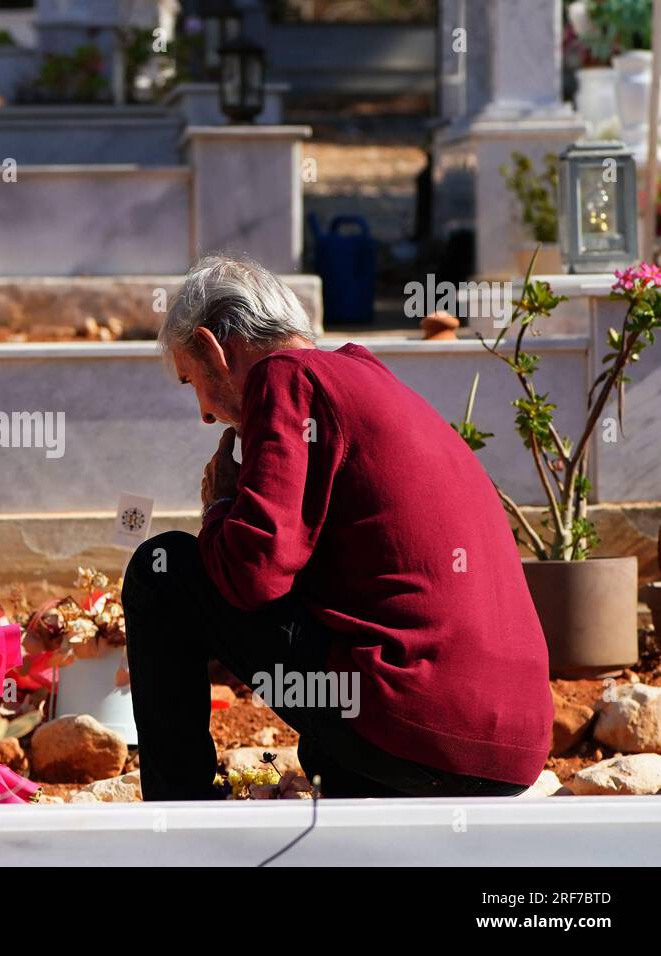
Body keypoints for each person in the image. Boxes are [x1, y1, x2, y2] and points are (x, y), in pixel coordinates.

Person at [122, 253, 552, 799]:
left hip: (411, 720)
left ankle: (180, 821)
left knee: (163, 571)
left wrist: (218, 506)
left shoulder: (286, 377)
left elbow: (251, 573)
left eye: (191, 382)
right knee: (326, 753)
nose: (205, 414)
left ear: (213, 348)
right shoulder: (364, 376)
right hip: (508, 751)